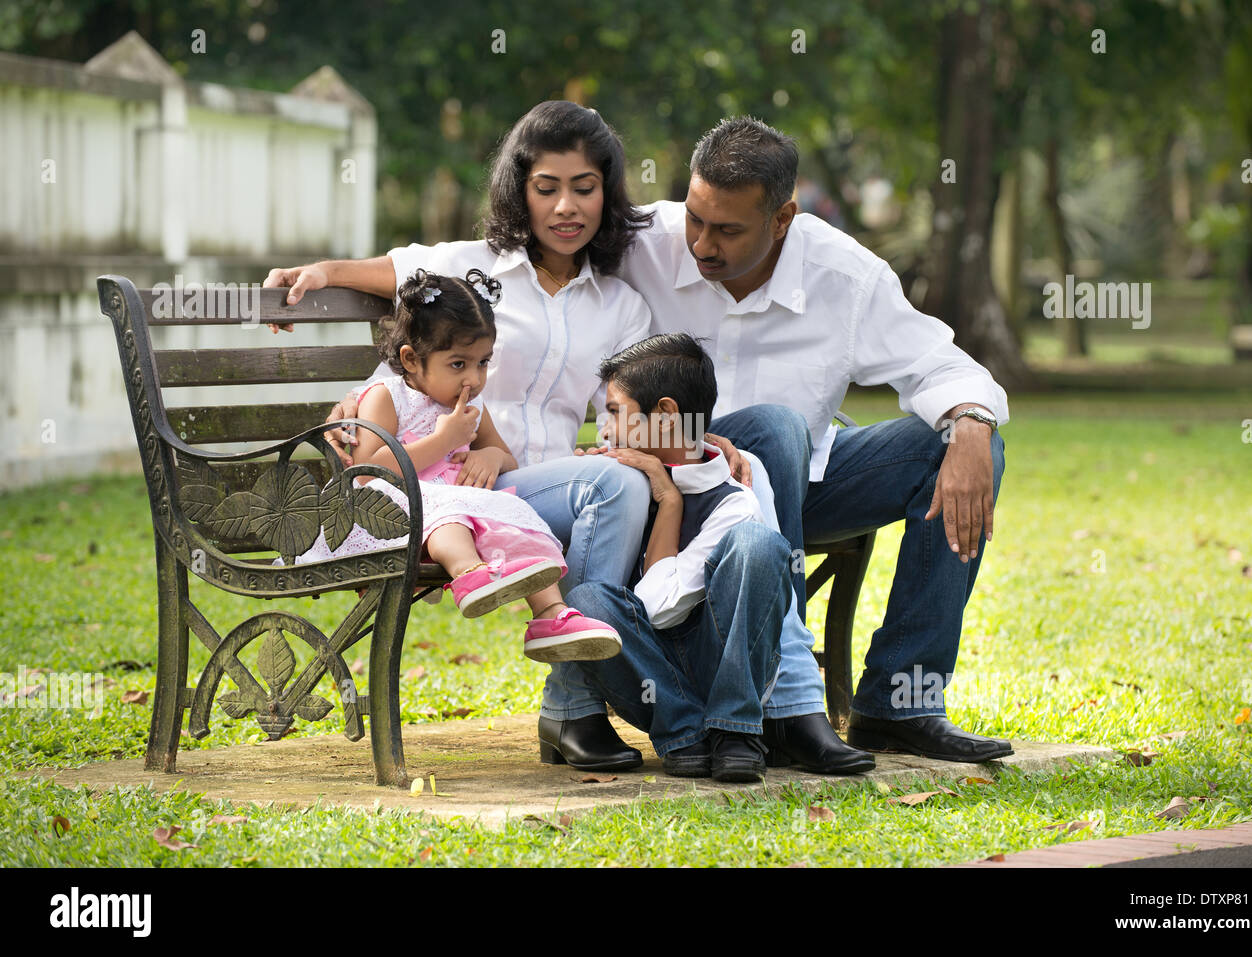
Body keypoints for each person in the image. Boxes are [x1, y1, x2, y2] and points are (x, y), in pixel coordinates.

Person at [264, 101, 753, 770]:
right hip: (448, 483)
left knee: (620, 480)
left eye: (584, 186)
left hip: (538, 484)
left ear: (606, 190)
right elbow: (391, 272)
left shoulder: (620, 305)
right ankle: (576, 709)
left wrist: (702, 442)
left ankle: (575, 701)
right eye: (545, 187)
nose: (565, 206)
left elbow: (637, 402)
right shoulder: (473, 268)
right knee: (615, 483)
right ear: (519, 191)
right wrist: (318, 273)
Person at [611, 116, 1013, 763]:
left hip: (796, 484)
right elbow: (519, 252)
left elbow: (943, 364)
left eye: (727, 229)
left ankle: (899, 704)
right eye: (695, 219)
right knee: (773, 425)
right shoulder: (645, 242)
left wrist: (971, 422)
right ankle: (786, 699)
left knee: (965, 445)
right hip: (674, 493)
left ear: (782, 218)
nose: (702, 243)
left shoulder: (845, 276)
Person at [294, 266, 623, 663]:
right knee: (451, 511)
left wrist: (489, 455)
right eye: (458, 364)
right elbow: (366, 472)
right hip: (386, 512)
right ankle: (470, 575)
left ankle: (551, 616)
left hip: (452, 509)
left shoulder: (469, 408)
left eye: (483, 362)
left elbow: (506, 457)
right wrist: (443, 441)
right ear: (412, 360)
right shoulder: (386, 397)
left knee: (515, 512)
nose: (475, 378)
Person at [565, 333, 792, 782]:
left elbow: (658, 608)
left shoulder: (733, 502)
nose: (604, 430)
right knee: (588, 602)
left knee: (759, 545)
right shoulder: (616, 478)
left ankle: (734, 729)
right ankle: (685, 731)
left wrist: (669, 500)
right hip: (649, 676)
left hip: (719, 662)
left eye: (614, 412)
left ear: (666, 414)